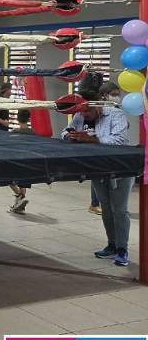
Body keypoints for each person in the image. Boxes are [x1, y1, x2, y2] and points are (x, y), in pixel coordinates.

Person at [62, 89, 133, 267]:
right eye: (82, 110)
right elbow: (65, 131)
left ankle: (122, 249)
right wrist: (70, 135)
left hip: (120, 169)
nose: (84, 115)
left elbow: (120, 140)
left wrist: (93, 139)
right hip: (98, 169)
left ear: (99, 105)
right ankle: (111, 244)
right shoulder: (80, 114)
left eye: (88, 111)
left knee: (119, 210)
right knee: (106, 209)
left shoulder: (116, 114)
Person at [88, 81, 124, 214]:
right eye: (113, 94)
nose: (116, 97)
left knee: (106, 177)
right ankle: (94, 203)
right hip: (100, 147)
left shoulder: (116, 109)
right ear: (103, 96)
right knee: (97, 175)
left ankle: (105, 204)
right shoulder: (97, 110)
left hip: (112, 147)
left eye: (118, 94)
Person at [8, 109, 34, 213]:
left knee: (9, 179)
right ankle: (20, 205)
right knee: (23, 183)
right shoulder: (33, 133)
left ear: (17, 118)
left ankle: (20, 197)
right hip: (28, 161)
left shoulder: (14, 133)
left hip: (17, 160)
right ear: (29, 118)